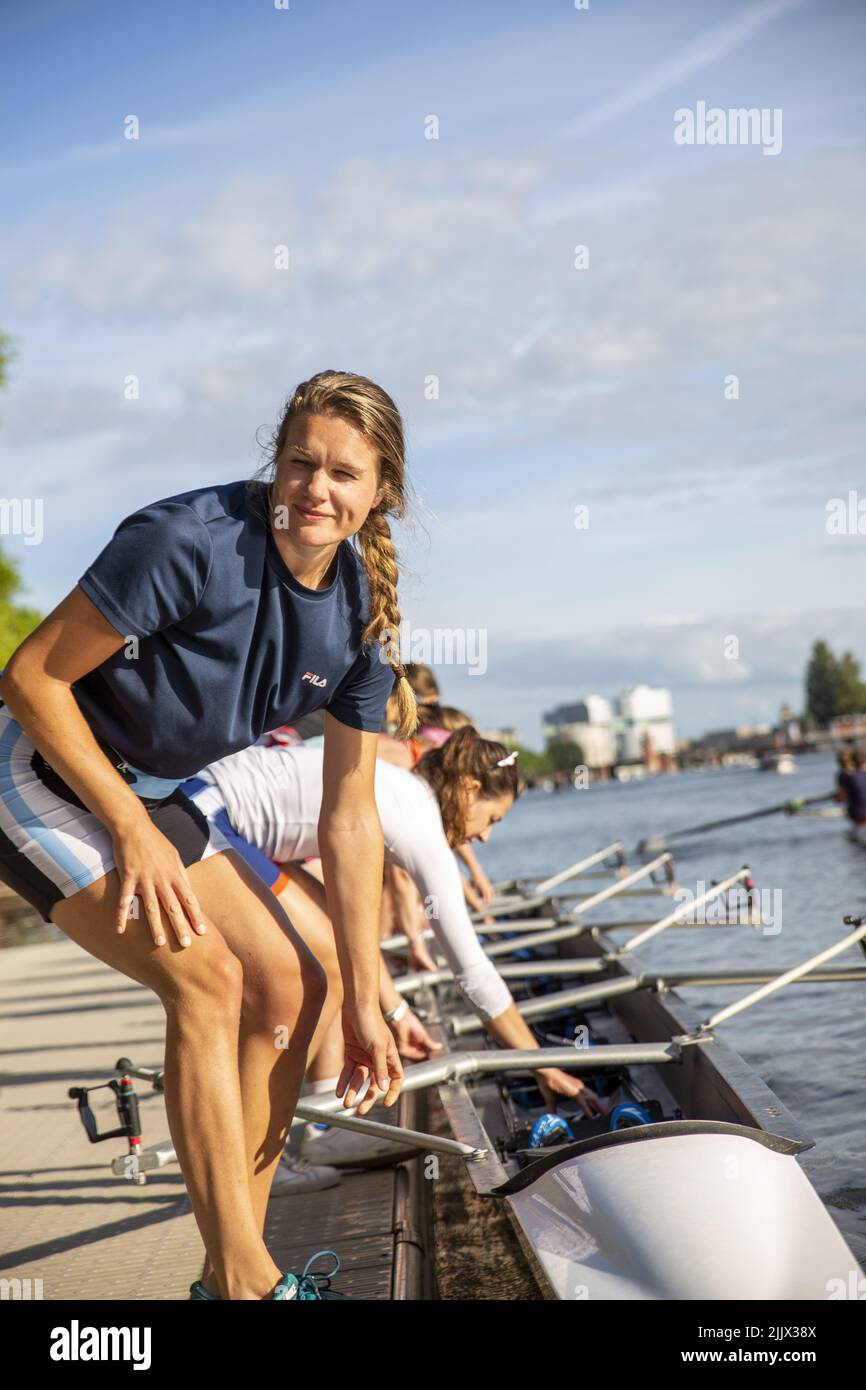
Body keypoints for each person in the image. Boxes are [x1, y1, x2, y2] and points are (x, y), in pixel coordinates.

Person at [0, 369, 418, 1301]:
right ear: (274, 463)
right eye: (300, 462)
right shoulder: (186, 542)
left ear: (379, 491)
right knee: (208, 978)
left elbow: (350, 819)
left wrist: (363, 993)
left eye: (344, 474)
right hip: (37, 771)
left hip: (159, 790)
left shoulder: (360, 618)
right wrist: (127, 828)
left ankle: (230, 1274)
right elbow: (29, 677)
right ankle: (248, 1285)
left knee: (293, 982)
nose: (317, 488)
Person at [180, 727, 607, 1170]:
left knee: (332, 945)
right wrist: (543, 1065)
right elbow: (472, 971)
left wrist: (397, 1012)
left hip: (207, 806)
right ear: (470, 789)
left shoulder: (400, 788)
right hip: (206, 818)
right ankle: (259, 1154)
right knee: (313, 970)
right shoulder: (419, 820)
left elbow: (348, 931)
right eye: (492, 819)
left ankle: (321, 1126)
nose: (485, 839)